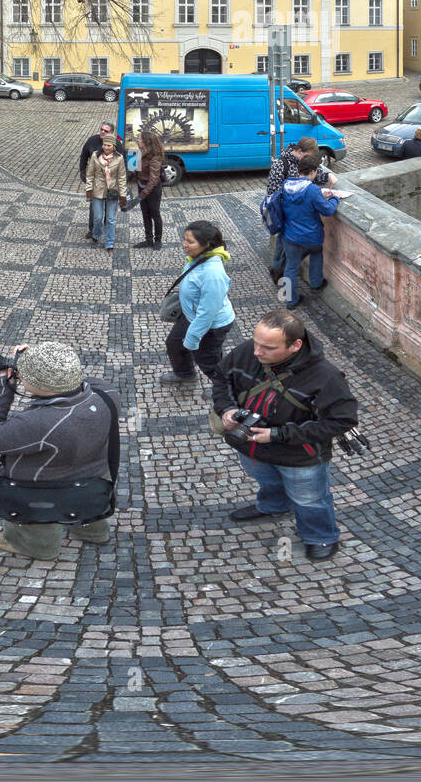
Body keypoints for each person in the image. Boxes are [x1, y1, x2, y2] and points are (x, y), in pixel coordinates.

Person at [211, 309, 361, 560]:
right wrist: (226, 409)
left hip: (300, 455)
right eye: (256, 342)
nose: (257, 352)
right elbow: (221, 377)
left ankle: (320, 536)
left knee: (310, 499)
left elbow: (341, 421)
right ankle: (275, 506)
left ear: (295, 346)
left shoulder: (326, 377)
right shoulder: (248, 351)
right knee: (267, 480)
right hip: (252, 447)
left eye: (268, 348)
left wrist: (278, 435)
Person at [0, 341, 118, 561]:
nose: (21, 378)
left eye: (24, 377)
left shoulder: (38, 423)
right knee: (89, 503)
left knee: (38, 519)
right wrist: (40, 358)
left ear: (41, 387)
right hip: (95, 474)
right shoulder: (107, 393)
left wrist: (5, 387)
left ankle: (37, 548)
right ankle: (94, 533)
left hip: (43, 484)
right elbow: (68, 378)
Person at [162, 219, 236, 385]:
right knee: (174, 344)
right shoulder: (199, 257)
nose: (184, 244)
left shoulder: (213, 273)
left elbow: (208, 313)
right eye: (185, 239)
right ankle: (185, 374)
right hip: (191, 316)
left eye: (190, 241)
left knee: (208, 360)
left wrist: (193, 339)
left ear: (206, 244)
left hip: (211, 325)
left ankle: (225, 388)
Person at [268, 149, 341, 305]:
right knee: (316, 254)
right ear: (313, 171)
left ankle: (290, 300)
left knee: (291, 267)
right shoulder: (312, 189)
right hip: (311, 237)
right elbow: (327, 210)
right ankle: (316, 283)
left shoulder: (286, 185)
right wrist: (334, 198)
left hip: (289, 236)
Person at [257, 137, 319, 286]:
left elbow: (315, 172)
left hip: (293, 214)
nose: (308, 160)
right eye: (306, 156)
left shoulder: (301, 162)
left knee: (285, 244)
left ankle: (280, 269)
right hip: (284, 214)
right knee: (282, 243)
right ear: (299, 151)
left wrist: (328, 175)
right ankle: (278, 270)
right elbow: (273, 192)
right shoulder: (281, 165)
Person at [83, 132, 126, 251]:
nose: (106, 148)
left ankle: (109, 242)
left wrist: (123, 195)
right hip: (97, 190)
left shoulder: (119, 158)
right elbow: (90, 174)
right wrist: (89, 189)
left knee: (111, 219)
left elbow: (121, 177)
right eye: (105, 145)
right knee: (97, 217)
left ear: (113, 147)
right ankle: (96, 234)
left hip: (112, 191)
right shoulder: (95, 156)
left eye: (109, 146)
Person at [133, 132, 170, 248]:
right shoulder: (140, 152)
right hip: (142, 185)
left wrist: (143, 194)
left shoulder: (155, 156)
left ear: (146, 142)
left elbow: (153, 179)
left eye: (140, 139)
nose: (138, 140)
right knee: (145, 214)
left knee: (155, 214)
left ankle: (157, 240)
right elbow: (137, 170)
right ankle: (148, 240)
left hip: (152, 190)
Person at [75, 126, 110, 240]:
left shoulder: (116, 144)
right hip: (96, 181)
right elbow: (84, 156)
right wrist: (83, 171)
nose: (103, 132)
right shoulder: (92, 141)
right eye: (101, 129)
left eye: (106, 131)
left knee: (108, 206)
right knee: (94, 207)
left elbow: (123, 160)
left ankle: (106, 228)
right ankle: (93, 229)